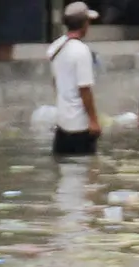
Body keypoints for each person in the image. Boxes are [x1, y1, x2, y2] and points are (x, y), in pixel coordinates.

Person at [48, 2, 102, 156]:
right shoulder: (81, 51)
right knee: (85, 172)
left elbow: (55, 82)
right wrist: (93, 120)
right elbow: (84, 89)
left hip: (62, 123)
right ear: (85, 24)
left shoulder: (55, 47)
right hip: (80, 127)